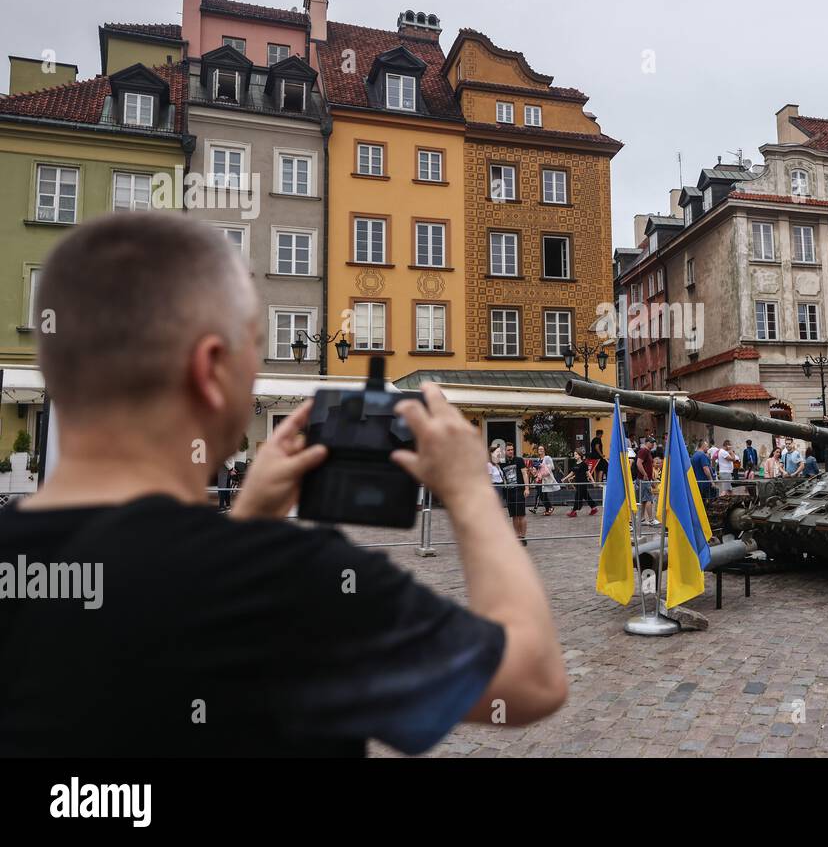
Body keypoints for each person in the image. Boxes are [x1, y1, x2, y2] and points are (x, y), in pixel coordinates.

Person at [0, 214, 565, 756]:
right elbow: (529, 677)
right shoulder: (295, 581)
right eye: (256, 343)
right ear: (211, 368)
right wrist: (469, 489)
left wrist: (248, 520)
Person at [500, 443, 532, 544]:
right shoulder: (502, 462)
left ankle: (523, 536)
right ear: (505, 451)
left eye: (512, 449)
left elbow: (524, 474)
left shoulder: (519, 460)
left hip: (519, 490)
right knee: (514, 516)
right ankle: (517, 536)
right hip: (509, 492)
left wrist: (527, 488)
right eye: (508, 450)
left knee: (521, 515)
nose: (511, 451)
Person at [562, 448, 598, 517]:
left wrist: (593, 481)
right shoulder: (575, 464)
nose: (575, 456)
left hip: (583, 483)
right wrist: (565, 478)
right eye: (574, 454)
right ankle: (594, 508)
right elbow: (572, 473)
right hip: (577, 483)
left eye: (576, 454)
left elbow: (588, 473)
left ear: (580, 455)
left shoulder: (584, 464)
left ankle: (574, 511)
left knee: (577, 496)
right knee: (586, 496)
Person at [636, 436, 656, 524]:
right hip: (643, 479)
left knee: (644, 500)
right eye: (651, 442)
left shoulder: (647, 452)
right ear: (646, 442)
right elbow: (638, 463)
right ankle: (651, 519)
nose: (652, 444)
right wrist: (645, 474)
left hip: (645, 479)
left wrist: (651, 478)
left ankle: (642, 519)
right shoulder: (644, 451)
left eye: (653, 442)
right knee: (648, 499)